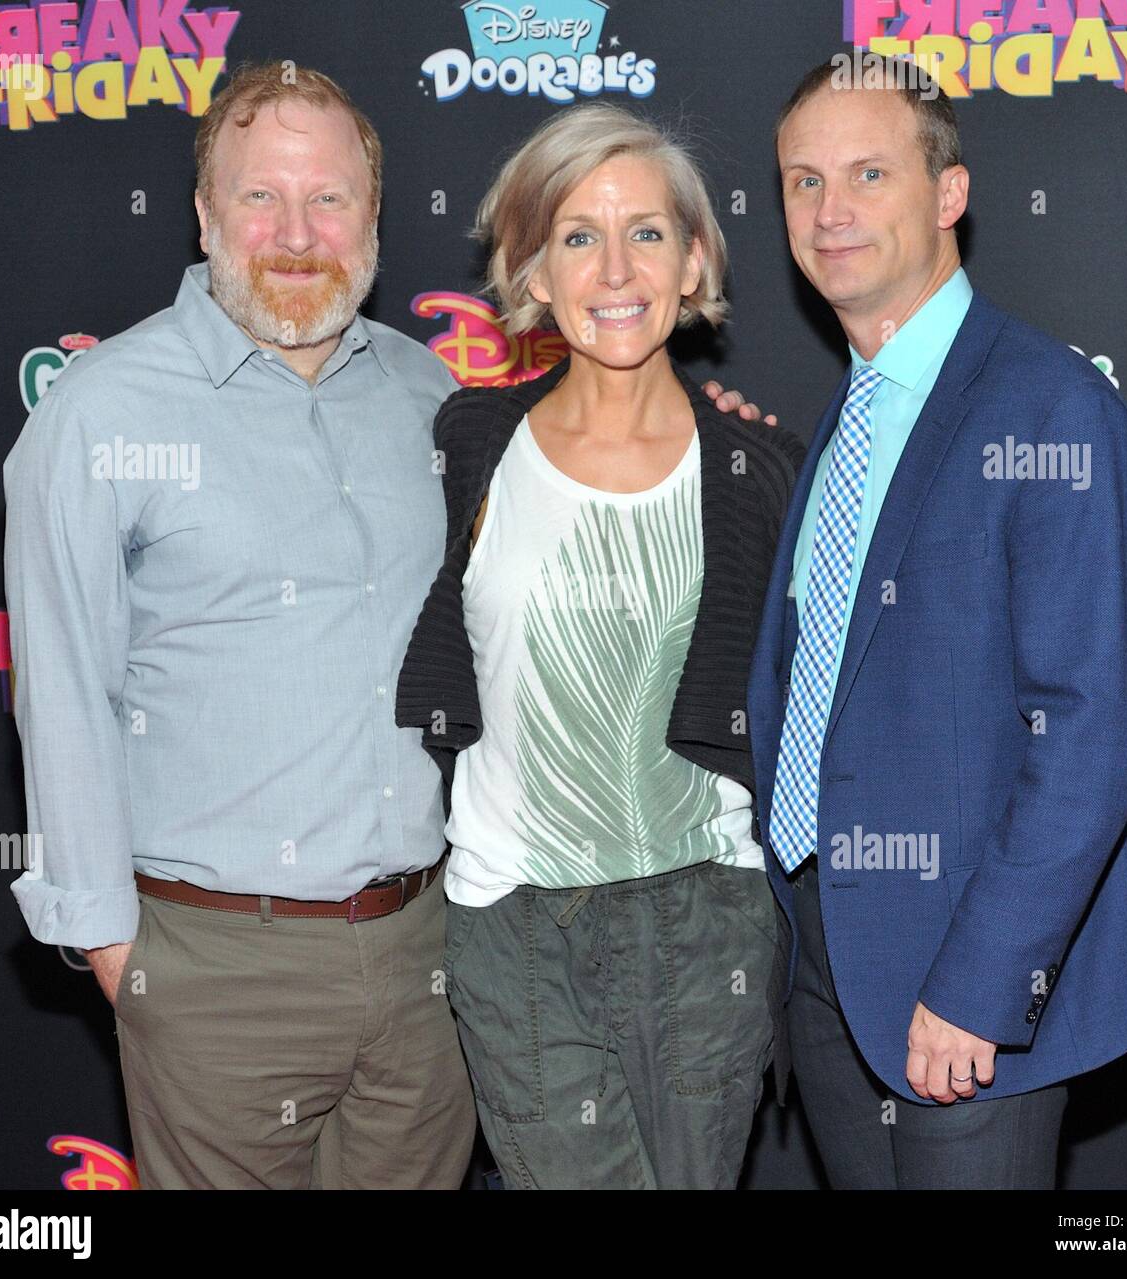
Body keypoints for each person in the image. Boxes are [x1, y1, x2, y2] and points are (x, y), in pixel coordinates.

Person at [1, 61, 478, 1189]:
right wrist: (120, 955)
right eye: (260, 196)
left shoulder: (431, 396)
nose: (296, 232)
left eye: (329, 198)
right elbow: (59, 694)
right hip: (211, 963)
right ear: (206, 214)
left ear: (373, 214)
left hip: (429, 957)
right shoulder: (100, 414)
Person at [737, 56, 1127, 1189]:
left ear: (948, 195)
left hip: (964, 993)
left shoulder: (1053, 407)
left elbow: (1089, 729)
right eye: (802, 181)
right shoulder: (846, 414)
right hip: (826, 967)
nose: (830, 212)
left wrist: (983, 984)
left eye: (868, 173)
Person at [395, 103, 806, 1189]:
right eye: (577, 234)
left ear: (694, 260)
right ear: (531, 271)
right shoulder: (468, 443)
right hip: (516, 924)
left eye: (647, 232)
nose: (614, 267)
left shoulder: (760, 469)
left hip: (707, 920)